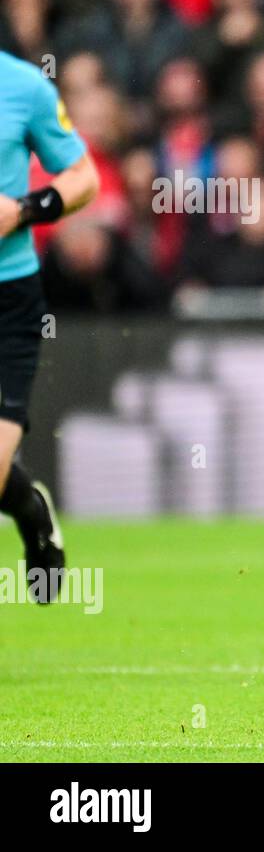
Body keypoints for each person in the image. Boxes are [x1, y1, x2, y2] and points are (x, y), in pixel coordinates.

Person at [0, 49, 101, 601]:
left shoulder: (22, 86)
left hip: (9, 294)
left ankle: (27, 505)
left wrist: (21, 210)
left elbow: (83, 177)